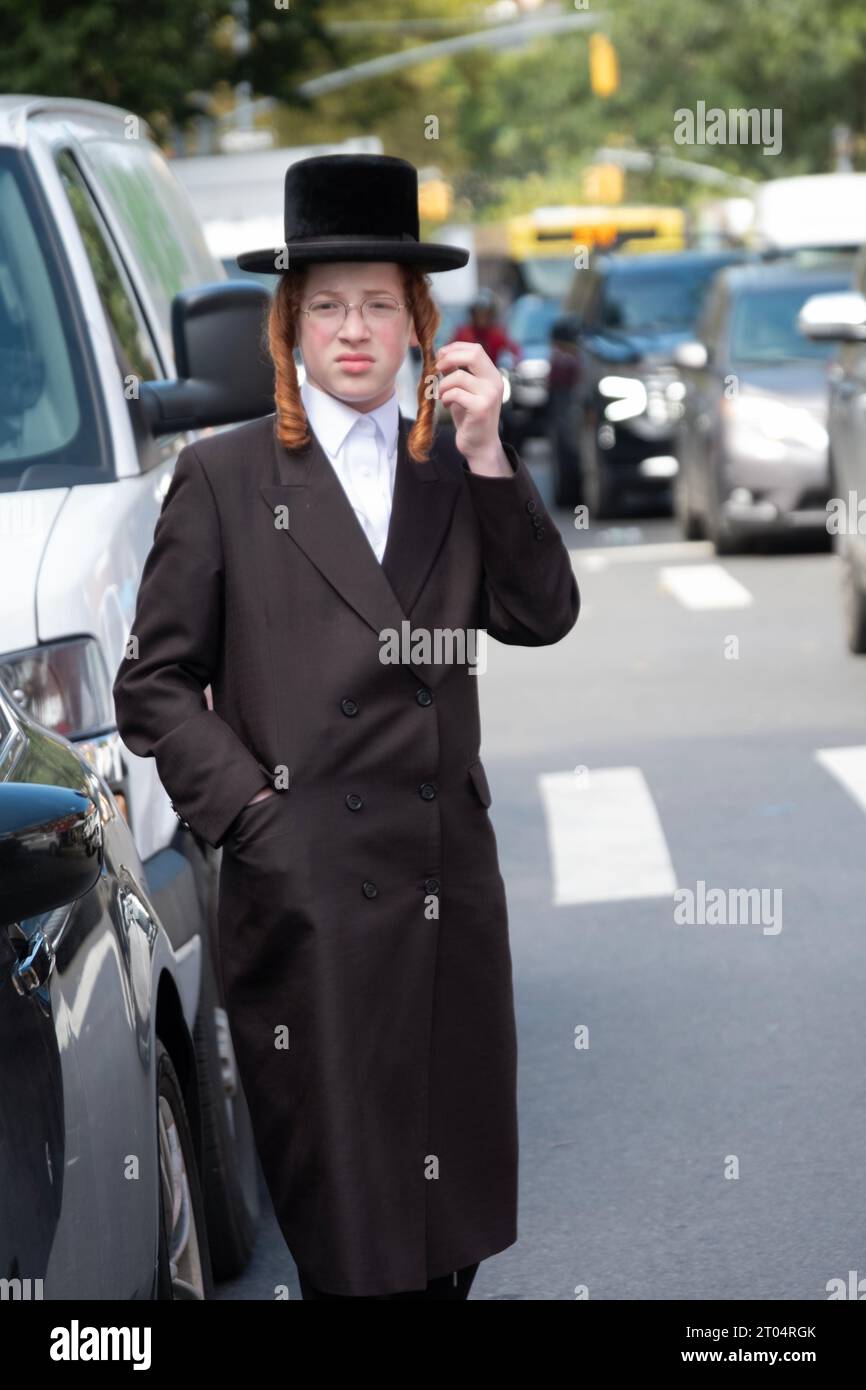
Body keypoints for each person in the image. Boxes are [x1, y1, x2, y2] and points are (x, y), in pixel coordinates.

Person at [112, 154, 579, 1299]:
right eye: (326, 305)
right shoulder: (222, 478)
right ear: (289, 325)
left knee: (446, 1238)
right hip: (306, 904)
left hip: (442, 897)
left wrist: (485, 458)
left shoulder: (449, 464)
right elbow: (154, 682)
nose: (353, 329)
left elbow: (540, 613)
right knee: (350, 1239)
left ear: (419, 320)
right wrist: (257, 821)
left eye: (378, 303)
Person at [453, 289, 521, 367]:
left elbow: (514, 351)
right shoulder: (463, 333)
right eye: (478, 313)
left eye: (486, 314)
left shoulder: (497, 333)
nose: (482, 318)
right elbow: (450, 353)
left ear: (492, 315)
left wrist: (511, 361)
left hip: (491, 374)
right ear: (472, 314)